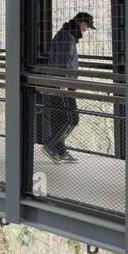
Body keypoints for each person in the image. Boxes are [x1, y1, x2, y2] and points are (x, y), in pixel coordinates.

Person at [42, 12, 95, 163]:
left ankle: (60, 151)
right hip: (61, 87)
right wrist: (63, 85)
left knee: (61, 120)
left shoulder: (67, 35)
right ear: (80, 23)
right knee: (72, 119)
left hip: (60, 85)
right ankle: (51, 146)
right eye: (86, 26)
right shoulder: (67, 37)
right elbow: (62, 62)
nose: (86, 30)